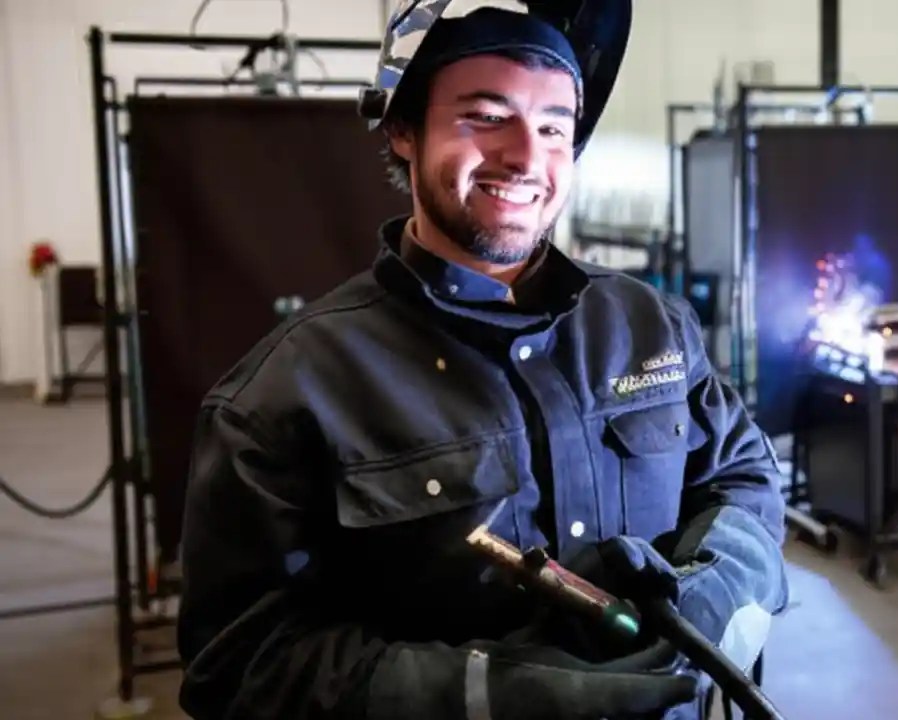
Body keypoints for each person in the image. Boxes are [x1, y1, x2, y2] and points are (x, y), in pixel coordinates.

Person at [176, 1, 789, 718]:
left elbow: (743, 477)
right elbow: (241, 663)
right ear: (404, 130)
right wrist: (496, 696)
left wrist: (711, 598)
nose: (528, 156)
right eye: (486, 116)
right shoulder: (286, 393)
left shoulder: (650, 324)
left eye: (555, 127)